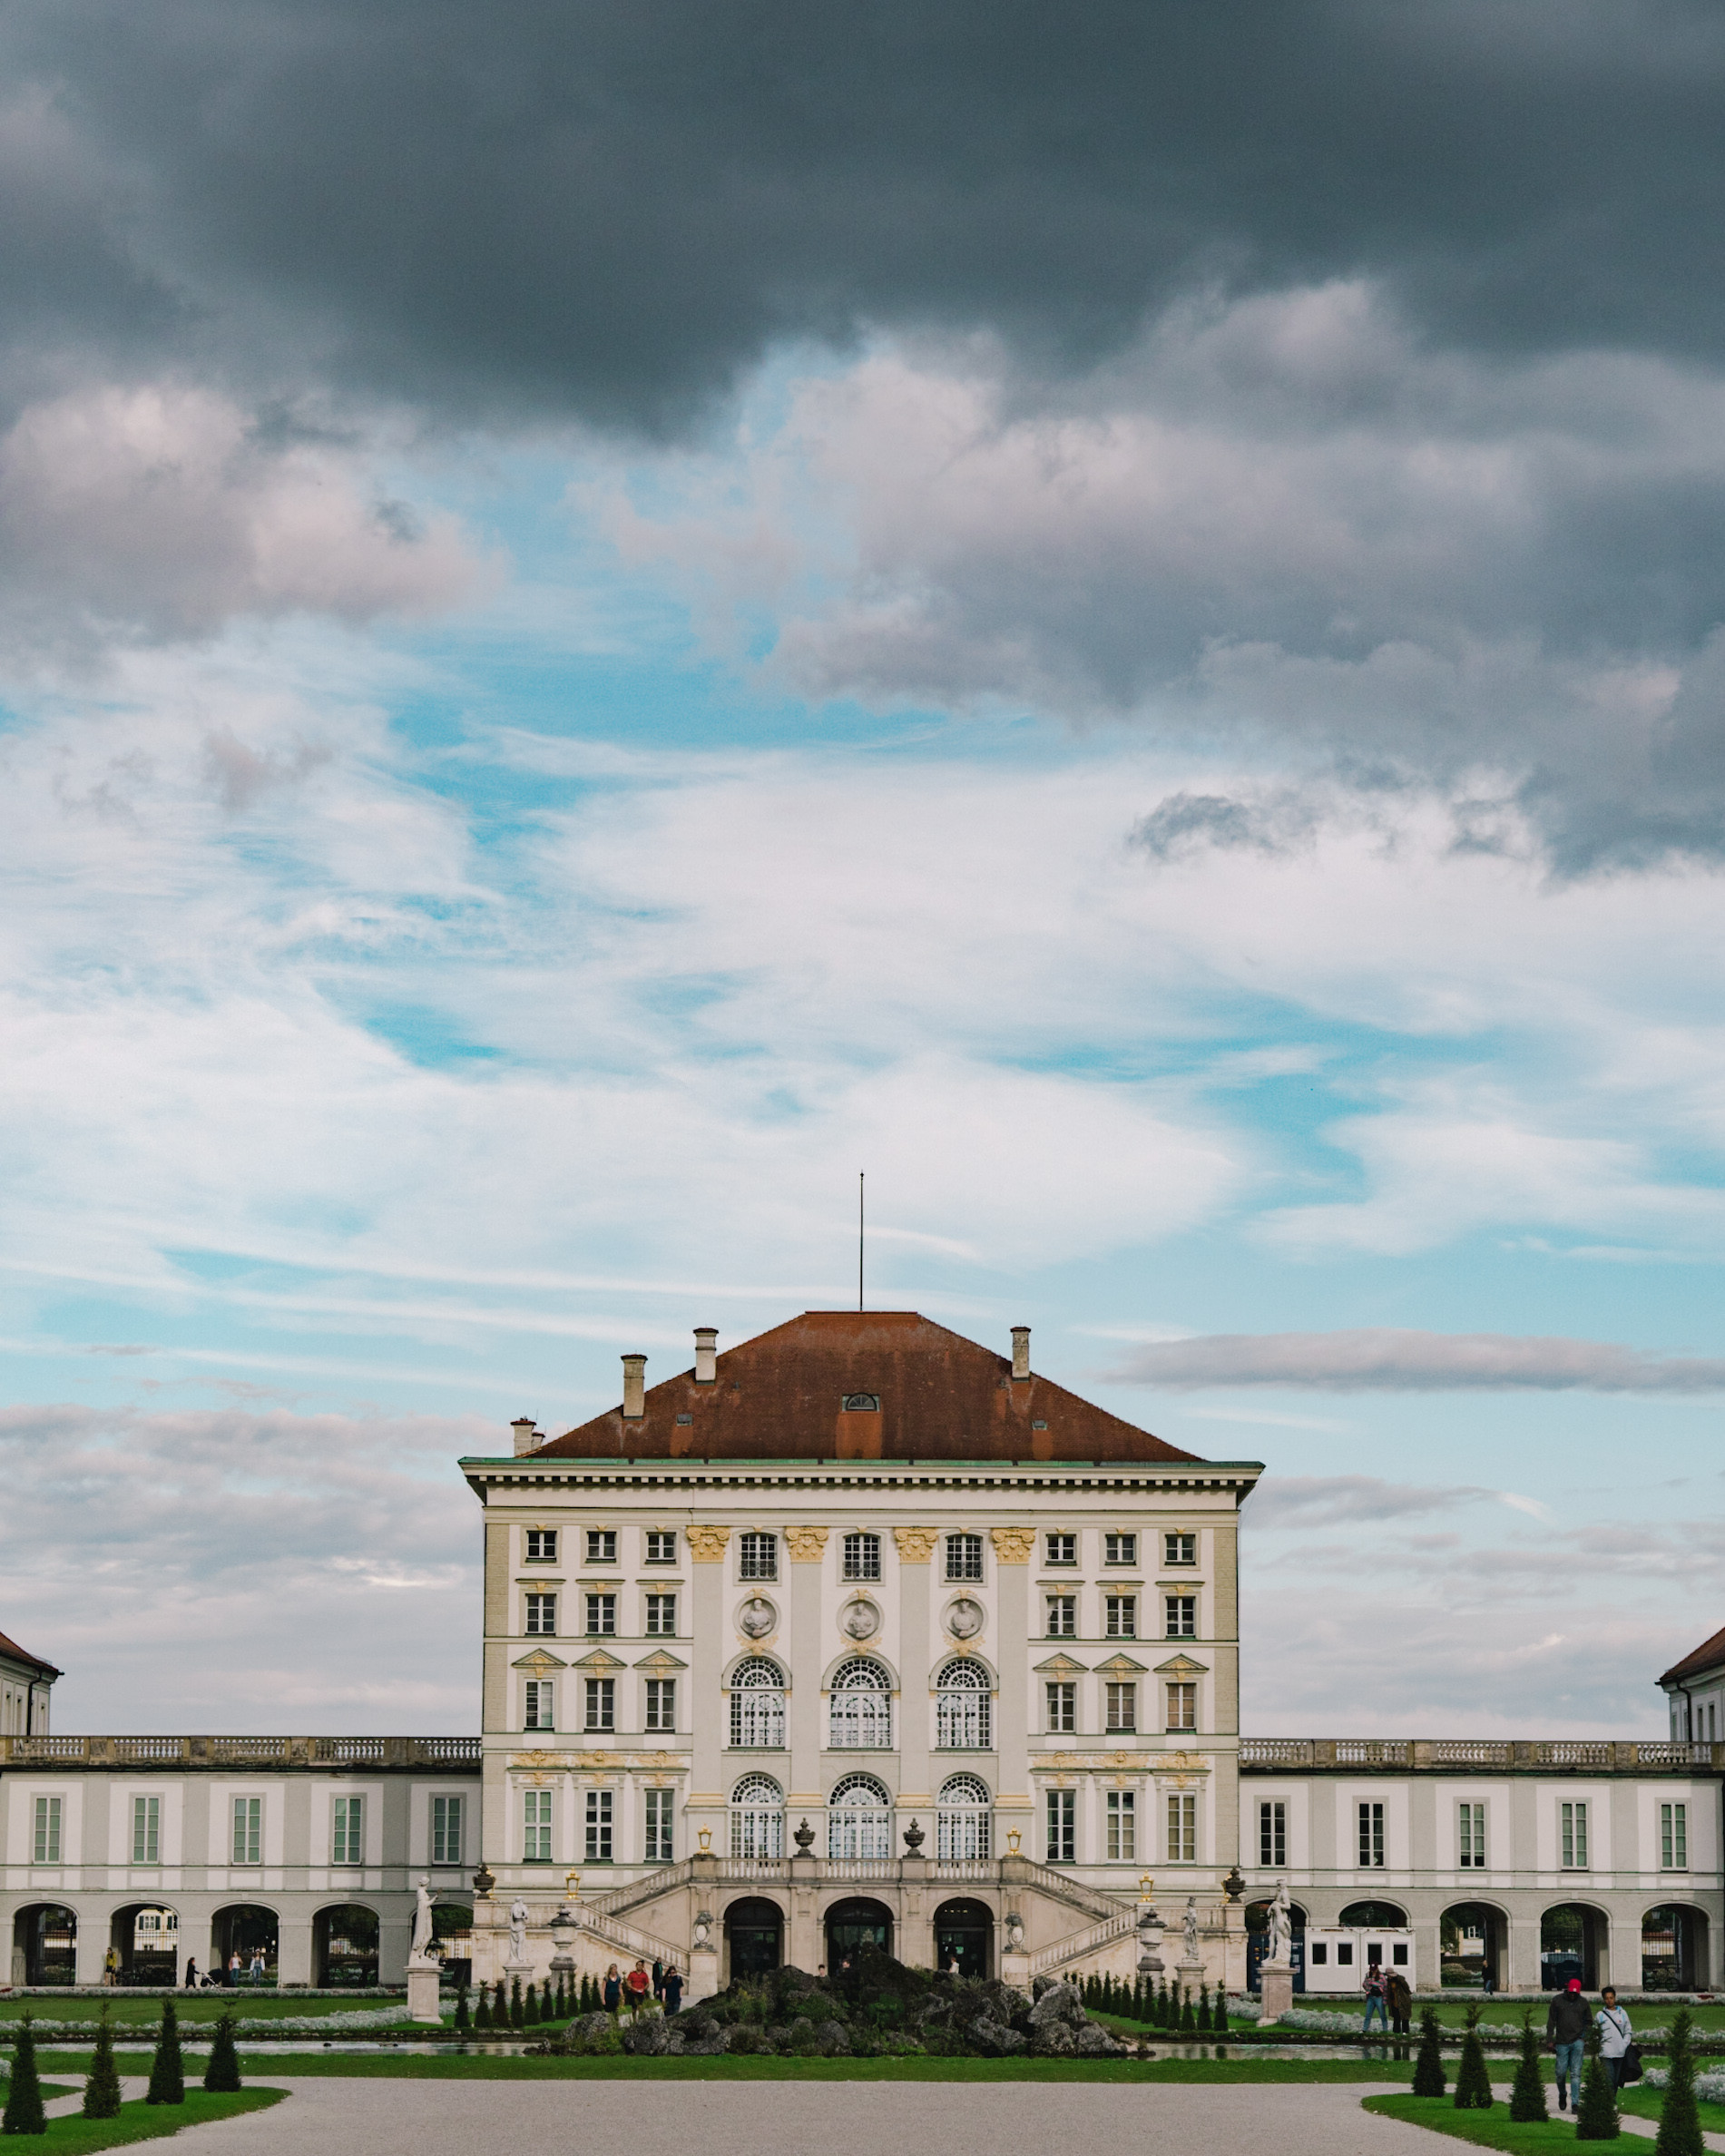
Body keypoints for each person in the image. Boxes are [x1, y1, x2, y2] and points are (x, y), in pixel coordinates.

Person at [1547, 1977, 1591, 2111]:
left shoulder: (1583, 2003)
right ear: (1567, 1989)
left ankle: (1575, 2103)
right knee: (1560, 2073)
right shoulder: (1557, 2001)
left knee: (1575, 2073)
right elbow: (1551, 2021)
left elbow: (1589, 2021)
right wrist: (1549, 2039)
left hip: (1577, 2041)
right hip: (1562, 2041)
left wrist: (1584, 2037)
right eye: (1571, 1992)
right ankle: (1562, 2093)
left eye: (1575, 1993)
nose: (1573, 1995)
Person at [1597, 1987, 1633, 2088]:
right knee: (1609, 2078)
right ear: (1604, 1999)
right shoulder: (1600, 2015)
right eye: (1607, 1998)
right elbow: (1596, 2033)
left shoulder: (1623, 2013)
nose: (1609, 2000)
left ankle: (1612, 2097)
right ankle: (1609, 2097)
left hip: (1619, 2052)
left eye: (1611, 1998)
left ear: (1615, 1998)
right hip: (1605, 2053)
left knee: (1616, 2081)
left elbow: (1628, 2031)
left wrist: (1624, 2044)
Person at [1361, 1962, 1388, 2034]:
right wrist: (1368, 1989)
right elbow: (1364, 1984)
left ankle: (1385, 2030)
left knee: (1382, 2015)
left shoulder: (1381, 1976)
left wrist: (1385, 1999)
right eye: (1372, 1969)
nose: (1373, 1971)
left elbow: (1385, 1987)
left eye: (1374, 1970)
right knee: (1368, 2014)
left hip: (1379, 1997)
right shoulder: (1368, 1975)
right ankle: (1364, 2029)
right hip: (1371, 1997)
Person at [1387, 1966, 1412, 2035]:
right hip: (1394, 2001)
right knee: (1396, 2017)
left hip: (1403, 2000)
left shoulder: (1400, 1980)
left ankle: (1405, 2031)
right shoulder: (1388, 1982)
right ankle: (1396, 2032)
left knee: (1404, 2016)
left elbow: (1407, 1989)